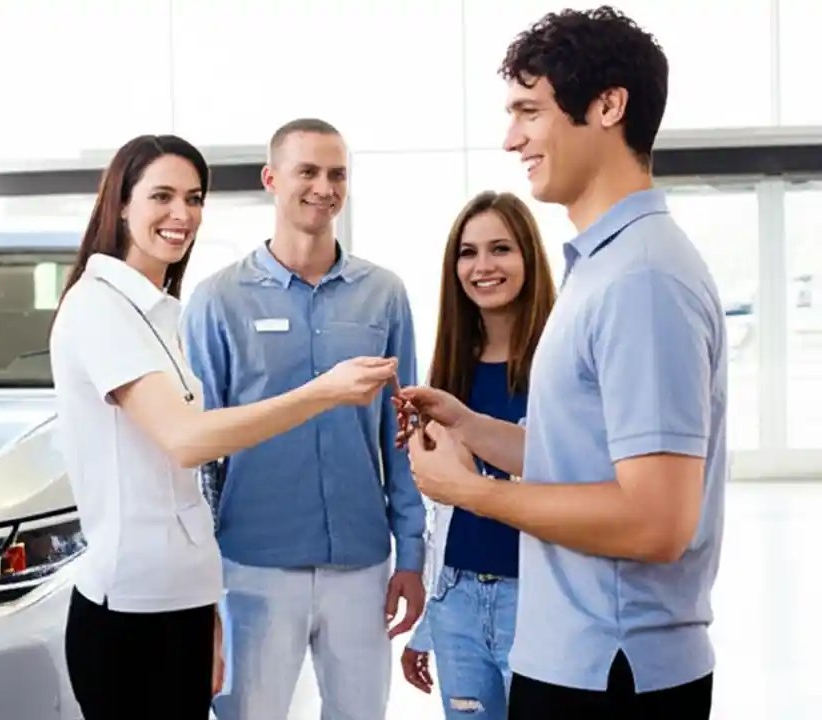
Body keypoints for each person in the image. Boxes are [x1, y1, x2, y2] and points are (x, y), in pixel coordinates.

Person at [398, 7, 727, 719]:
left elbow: (655, 522)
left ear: (608, 105)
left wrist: (473, 492)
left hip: (613, 665)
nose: (511, 136)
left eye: (529, 111)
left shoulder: (642, 278)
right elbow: (587, 460)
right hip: (578, 655)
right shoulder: (604, 269)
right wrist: (473, 427)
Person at [49, 133, 399, 720]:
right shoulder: (98, 307)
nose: (181, 215)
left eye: (194, 197)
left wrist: (208, 609)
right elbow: (189, 441)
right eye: (162, 196)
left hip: (181, 600)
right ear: (120, 203)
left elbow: (186, 494)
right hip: (130, 609)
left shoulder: (158, 311)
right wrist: (321, 392)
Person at [182, 118, 425, 720]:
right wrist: (201, 585)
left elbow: (403, 439)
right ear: (272, 179)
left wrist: (413, 556)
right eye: (308, 171)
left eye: (337, 173)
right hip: (252, 567)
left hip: (363, 565)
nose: (324, 186)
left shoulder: (385, 294)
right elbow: (198, 452)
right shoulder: (218, 300)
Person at [398, 190, 557, 719]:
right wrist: (428, 624)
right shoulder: (449, 370)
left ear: (529, 258)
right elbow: (442, 510)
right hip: (457, 603)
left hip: (536, 599)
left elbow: (566, 478)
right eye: (468, 253)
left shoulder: (561, 362)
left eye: (500, 249)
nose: (483, 266)